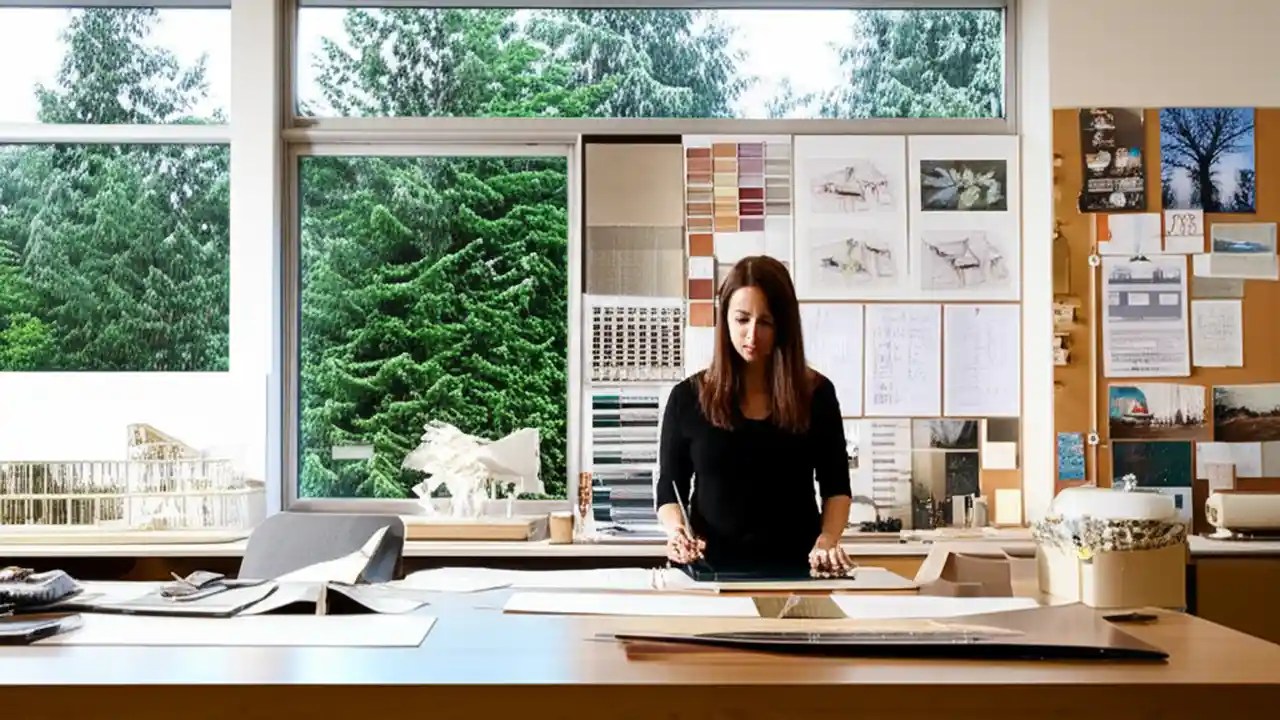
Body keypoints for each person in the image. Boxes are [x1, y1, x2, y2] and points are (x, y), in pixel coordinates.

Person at [654, 255, 854, 576]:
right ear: (726, 320)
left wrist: (827, 540)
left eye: (766, 322)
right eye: (742, 319)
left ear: (784, 326)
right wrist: (677, 532)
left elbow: (836, 487)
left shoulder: (816, 394)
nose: (751, 336)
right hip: (709, 574)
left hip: (796, 573)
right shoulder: (687, 398)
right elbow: (669, 487)